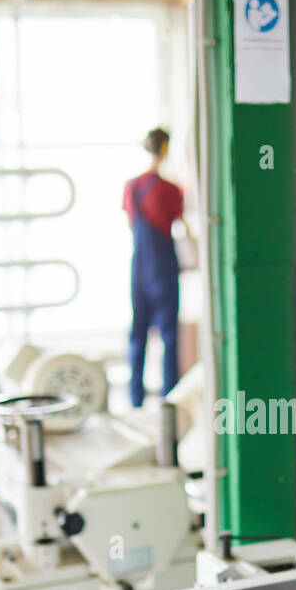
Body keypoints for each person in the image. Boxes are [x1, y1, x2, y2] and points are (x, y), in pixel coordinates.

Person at [122, 128, 185, 408]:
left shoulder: (132, 187)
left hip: (139, 267)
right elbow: (182, 227)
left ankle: (135, 398)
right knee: (169, 335)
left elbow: (131, 222)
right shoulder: (172, 190)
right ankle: (168, 399)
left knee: (138, 332)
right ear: (166, 148)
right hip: (163, 267)